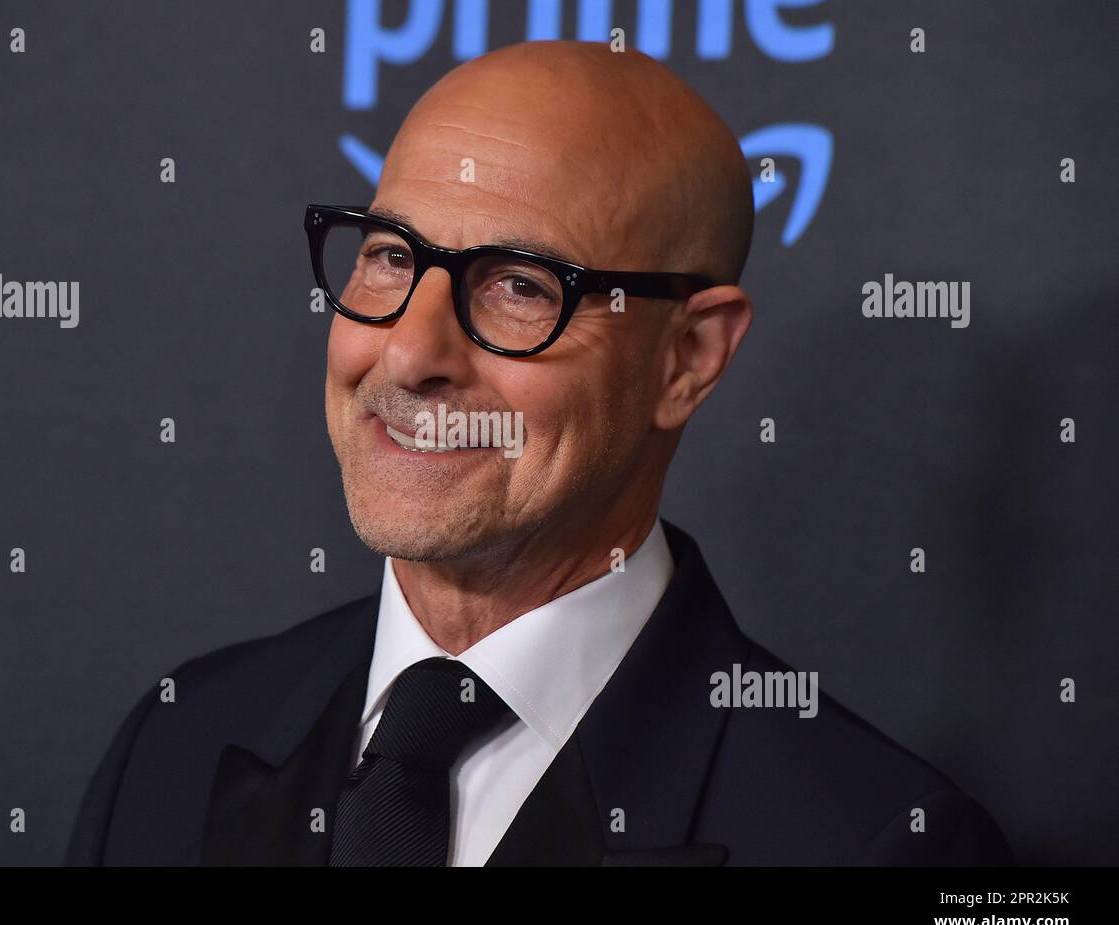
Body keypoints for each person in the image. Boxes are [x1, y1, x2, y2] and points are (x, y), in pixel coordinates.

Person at [65, 40, 1012, 866]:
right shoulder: (175, 745)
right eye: (392, 255)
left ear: (687, 358)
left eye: (520, 285)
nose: (409, 352)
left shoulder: (876, 845)